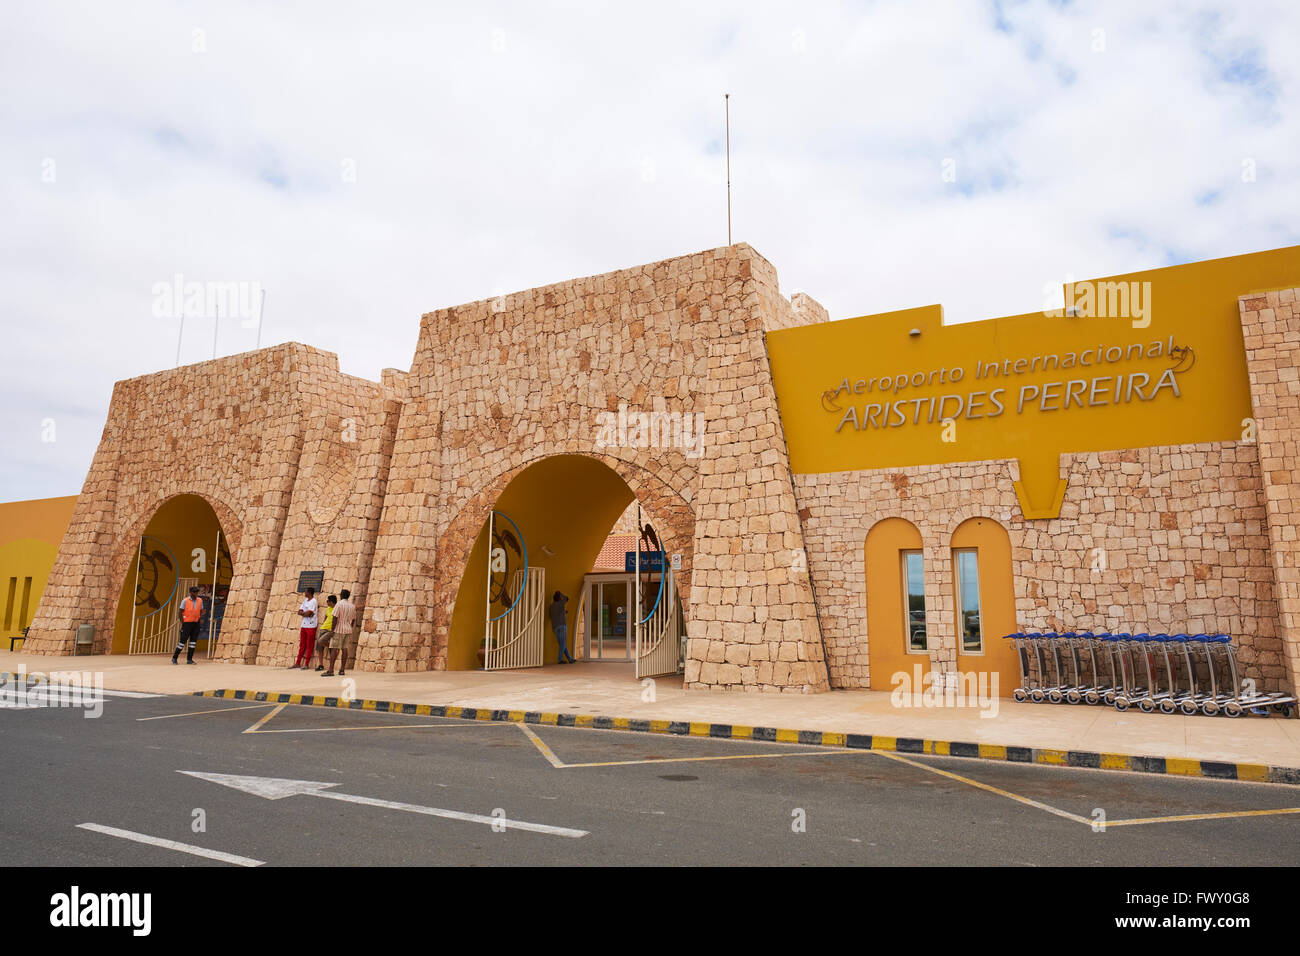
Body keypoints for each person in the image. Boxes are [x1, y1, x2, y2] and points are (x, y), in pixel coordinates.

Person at [324, 588, 357, 677]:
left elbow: (335, 617)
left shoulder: (339, 604)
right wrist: (350, 626)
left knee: (334, 648)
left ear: (341, 595)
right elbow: (353, 619)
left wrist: (332, 630)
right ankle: (342, 670)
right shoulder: (352, 606)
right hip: (347, 629)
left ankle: (331, 670)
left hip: (338, 629)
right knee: (344, 649)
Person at [172, 586, 204, 665]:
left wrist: (199, 618)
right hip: (187, 623)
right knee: (182, 642)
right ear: (190, 593)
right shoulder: (185, 600)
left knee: (193, 643)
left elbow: (201, 610)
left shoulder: (200, 600)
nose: (196, 593)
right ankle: (175, 657)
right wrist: (183, 623)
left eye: (197, 592)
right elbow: (180, 612)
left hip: (196, 623)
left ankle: (189, 659)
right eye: (194, 592)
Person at [291, 587, 318, 669]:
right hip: (304, 625)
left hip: (311, 625)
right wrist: (304, 613)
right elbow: (299, 612)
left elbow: (310, 613)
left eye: (305, 592)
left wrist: (304, 613)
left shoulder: (314, 601)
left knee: (309, 645)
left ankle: (306, 664)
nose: (304, 593)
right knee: (302, 645)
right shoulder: (305, 601)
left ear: (309, 592)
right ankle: (298, 663)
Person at [549, 590, 574, 664]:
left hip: (555, 627)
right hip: (562, 626)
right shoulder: (560, 603)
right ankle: (560, 660)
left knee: (562, 644)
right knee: (563, 644)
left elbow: (552, 616)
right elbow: (567, 598)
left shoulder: (551, 606)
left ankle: (570, 659)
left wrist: (563, 612)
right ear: (559, 598)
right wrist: (561, 594)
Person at [314, 594, 337, 671]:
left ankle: (331, 649)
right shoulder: (328, 609)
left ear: (331, 602)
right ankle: (321, 664)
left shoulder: (337, 609)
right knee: (319, 648)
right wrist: (322, 625)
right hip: (323, 628)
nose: (327, 602)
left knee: (322, 641)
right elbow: (325, 618)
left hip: (330, 629)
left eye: (328, 601)